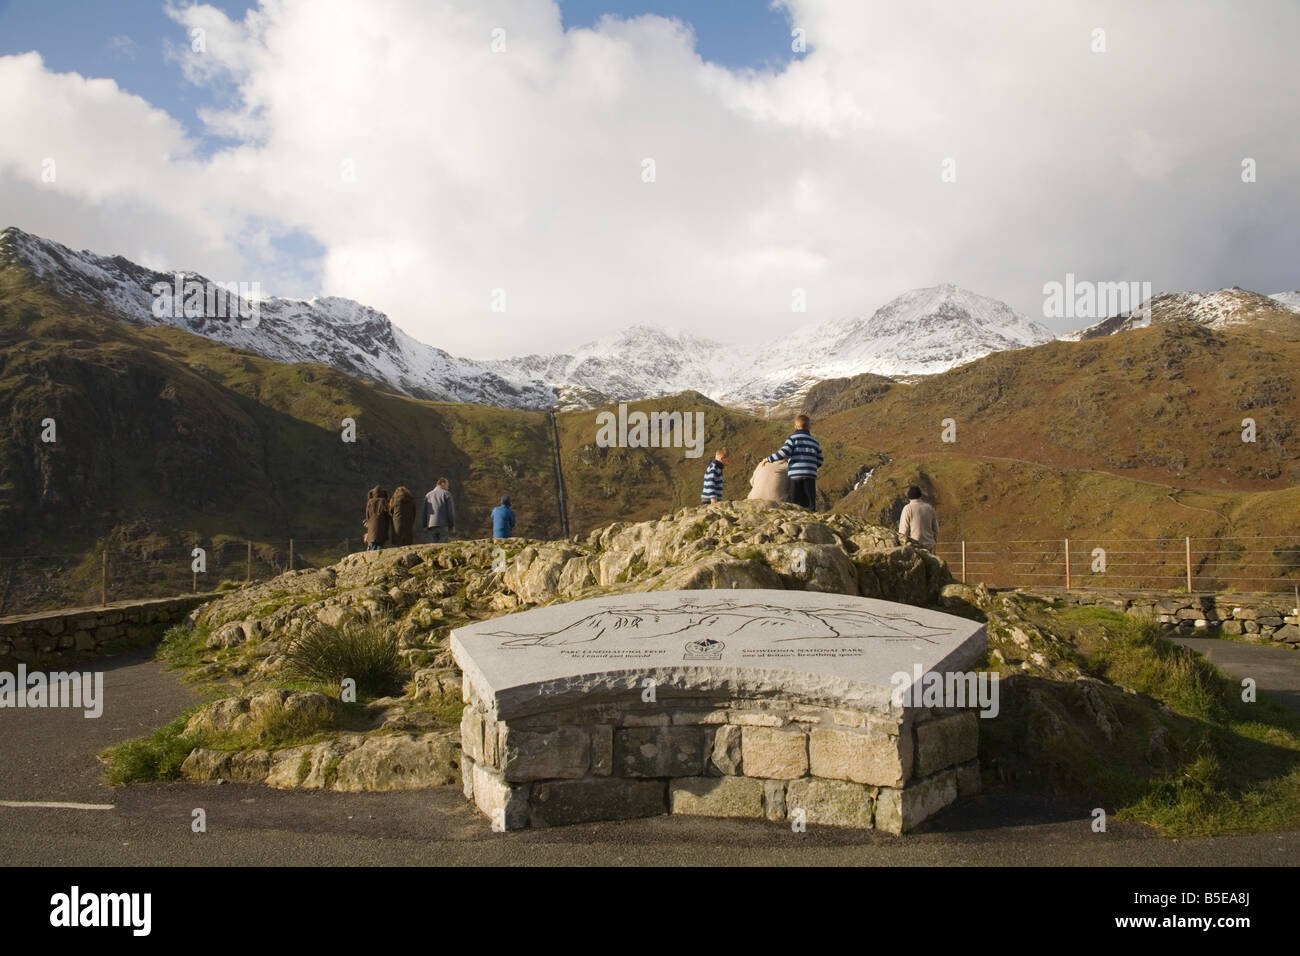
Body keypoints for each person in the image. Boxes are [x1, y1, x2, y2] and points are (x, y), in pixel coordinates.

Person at [762, 413, 823, 510]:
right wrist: (811, 467)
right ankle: (812, 513)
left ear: (795, 427)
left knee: (795, 500)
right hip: (810, 475)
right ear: (809, 427)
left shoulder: (792, 439)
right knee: (810, 499)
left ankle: (797, 514)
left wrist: (768, 459)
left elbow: (783, 453)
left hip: (795, 474)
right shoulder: (814, 442)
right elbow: (820, 460)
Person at [898, 485, 939, 551]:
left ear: (909, 497)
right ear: (920, 495)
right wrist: (934, 542)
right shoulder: (929, 508)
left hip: (916, 547)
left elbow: (903, 531)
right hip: (930, 546)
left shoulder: (908, 508)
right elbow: (936, 529)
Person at [423, 477, 455, 543]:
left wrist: (424, 525)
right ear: (442, 484)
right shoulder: (447, 494)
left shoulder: (428, 495)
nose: (448, 488)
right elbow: (450, 511)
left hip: (431, 525)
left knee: (432, 549)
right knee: (442, 548)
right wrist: (451, 525)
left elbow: (424, 512)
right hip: (443, 525)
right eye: (447, 485)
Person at [363, 486, 391, 550]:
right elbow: (388, 515)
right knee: (380, 545)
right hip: (382, 527)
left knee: (372, 544)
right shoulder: (384, 501)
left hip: (371, 529)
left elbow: (367, 516)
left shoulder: (369, 502)